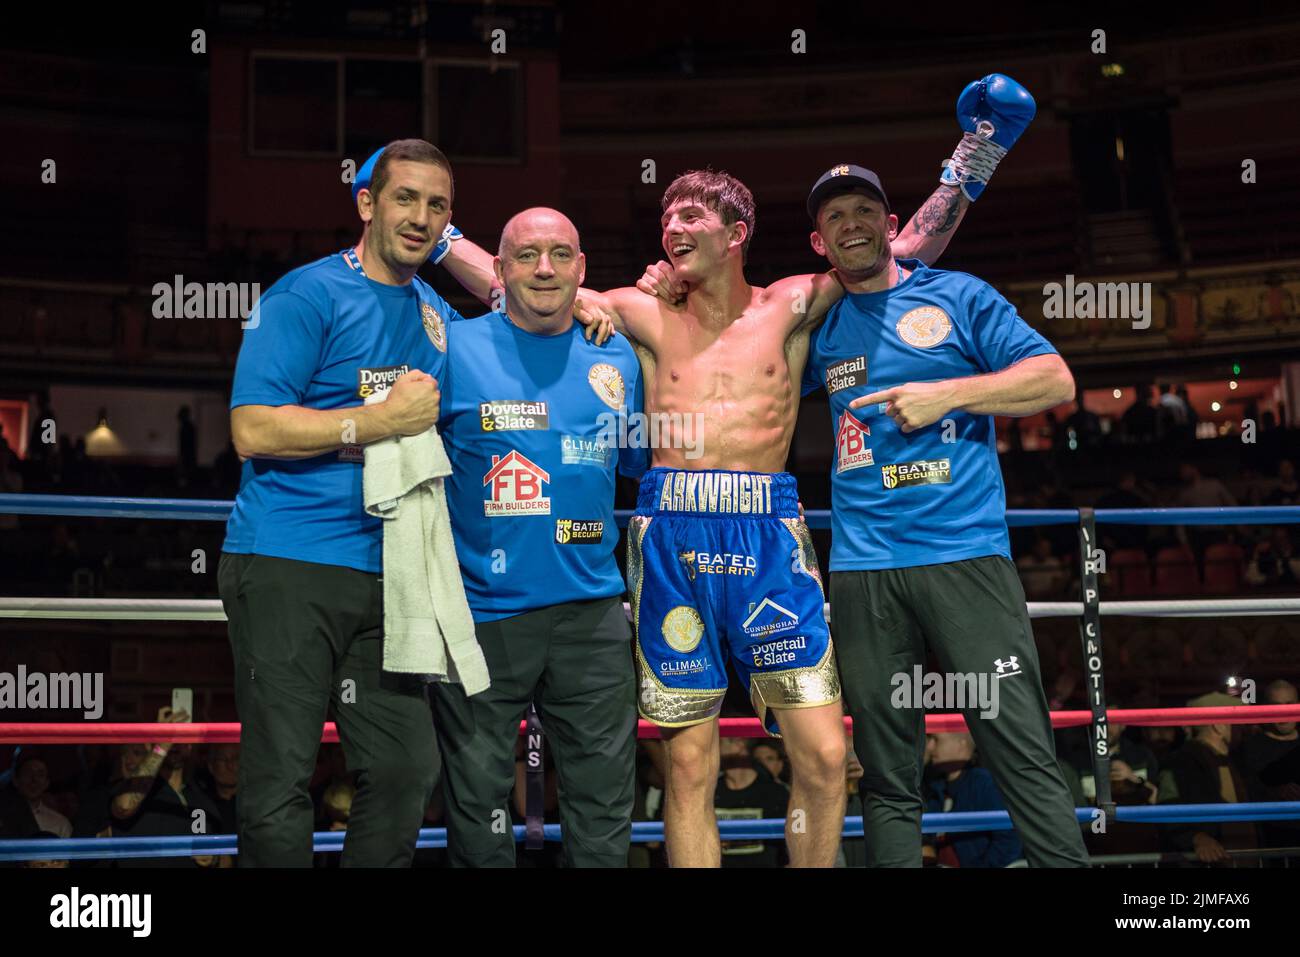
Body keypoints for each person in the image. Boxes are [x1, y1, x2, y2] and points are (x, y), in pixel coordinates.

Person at [431, 75, 1029, 866]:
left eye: (690, 214)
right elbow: (522, 283)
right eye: (666, 214)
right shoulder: (637, 312)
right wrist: (438, 235)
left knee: (820, 755)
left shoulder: (791, 304)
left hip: (770, 532)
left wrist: (976, 153)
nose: (671, 226)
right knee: (689, 764)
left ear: (736, 229)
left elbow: (901, 247)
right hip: (669, 530)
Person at [800, 162, 1088, 868]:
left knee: (1017, 744)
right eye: (835, 216)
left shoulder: (958, 295)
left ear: (893, 226)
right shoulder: (819, 321)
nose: (852, 224)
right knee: (889, 772)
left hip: (964, 556)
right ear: (819, 241)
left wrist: (947, 394)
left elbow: (1053, 378)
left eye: (866, 209)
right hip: (863, 569)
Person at [219, 138, 455, 867]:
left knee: (406, 765)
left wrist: (600, 313)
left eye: (437, 204)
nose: (420, 216)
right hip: (288, 561)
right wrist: (378, 420)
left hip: (392, 573)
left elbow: (523, 306)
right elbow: (251, 427)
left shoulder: (435, 312)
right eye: (405, 198)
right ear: (367, 203)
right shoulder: (304, 294)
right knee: (280, 779)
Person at [423, 207, 645, 868]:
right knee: (478, 804)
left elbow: (632, 465)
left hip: (594, 612)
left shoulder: (617, 352)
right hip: (481, 613)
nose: (543, 268)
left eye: (559, 254)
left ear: (582, 269)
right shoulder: (451, 348)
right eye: (525, 255)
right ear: (498, 269)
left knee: (604, 802)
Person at [1157, 692, 1257, 864]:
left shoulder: (1236, 759)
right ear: (1219, 726)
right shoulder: (1179, 762)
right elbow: (1167, 806)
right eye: (1237, 723)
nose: (1243, 728)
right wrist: (1196, 838)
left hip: (1241, 857)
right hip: (1210, 861)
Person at [922, 733, 1024, 868]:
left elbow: (1010, 840)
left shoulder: (984, 783)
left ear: (961, 744)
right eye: (929, 740)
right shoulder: (935, 786)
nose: (929, 747)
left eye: (936, 739)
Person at [1239, 679, 1300, 853]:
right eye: (1276, 705)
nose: (1284, 711)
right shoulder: (1249, 748)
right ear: (1266, 707)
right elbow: (1243, 793)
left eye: (1289, 704)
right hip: (1268, 840)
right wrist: (1272, 793)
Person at [713, 735, 791, 868]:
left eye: (718, 741)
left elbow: (793, 852)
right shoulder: (709, 793)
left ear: (739, 744)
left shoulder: (777, 794)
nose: (711, 746)